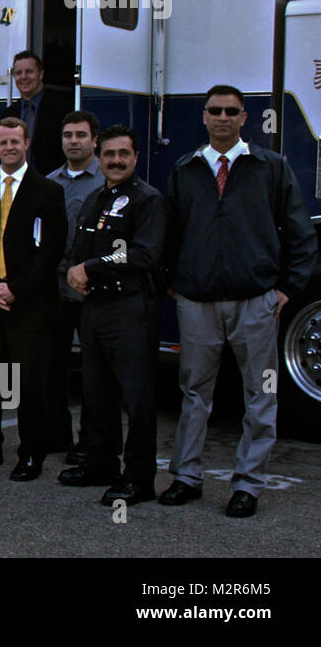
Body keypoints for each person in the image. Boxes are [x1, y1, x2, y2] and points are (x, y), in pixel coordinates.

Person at [161, 85, 317, 518]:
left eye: (232, 111)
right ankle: (186, 477)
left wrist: (287, 288)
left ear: (244, 118)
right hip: (198, 304)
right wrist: (171, 281)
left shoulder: (271, 167)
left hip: (256, 302)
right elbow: (169, 232)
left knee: (261, 393)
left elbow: (300, 233)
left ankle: (248, 485)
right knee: (194, 392)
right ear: (204, 117)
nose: (223, 117)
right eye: (215, 110)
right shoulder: (186, 169)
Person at [0, 116, 67, 481]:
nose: (9, 148)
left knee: (29, 385)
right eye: (2, 143)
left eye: (15, 142)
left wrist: (14, 288)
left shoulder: (48, 191)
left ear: (27, 144)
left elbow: (51, 251)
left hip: (28, 305)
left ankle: (31, 455)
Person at [59, 125, 166, 504]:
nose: (116, 160)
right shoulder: (96, 198)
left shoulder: (147, 199)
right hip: (95, 309)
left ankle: (139, 477)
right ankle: (100, 462)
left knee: (136, 398)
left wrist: (91, 267)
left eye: (124, 154)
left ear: (135, 158)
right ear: (99, 157)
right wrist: (77, 269)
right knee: (96, 392)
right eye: (109, 154)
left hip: (130, 309)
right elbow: (79, 246)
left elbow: (142, 253)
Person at [45, 110, 104, 462]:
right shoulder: (50, 182)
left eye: (81, 135)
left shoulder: (106, 181)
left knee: (95, 370)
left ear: (94, 140)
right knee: (54, 366)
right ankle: (57, 435)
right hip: (54, 290)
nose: (74, 141)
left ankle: (89, 442)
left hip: (91, 291)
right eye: (68, 135)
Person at [1, 51, 71, 174]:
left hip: (51, 181)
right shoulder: (9, 113)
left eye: (29, 72)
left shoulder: (62, 108)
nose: (23, 77)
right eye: (19, 73)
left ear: (41, 74)